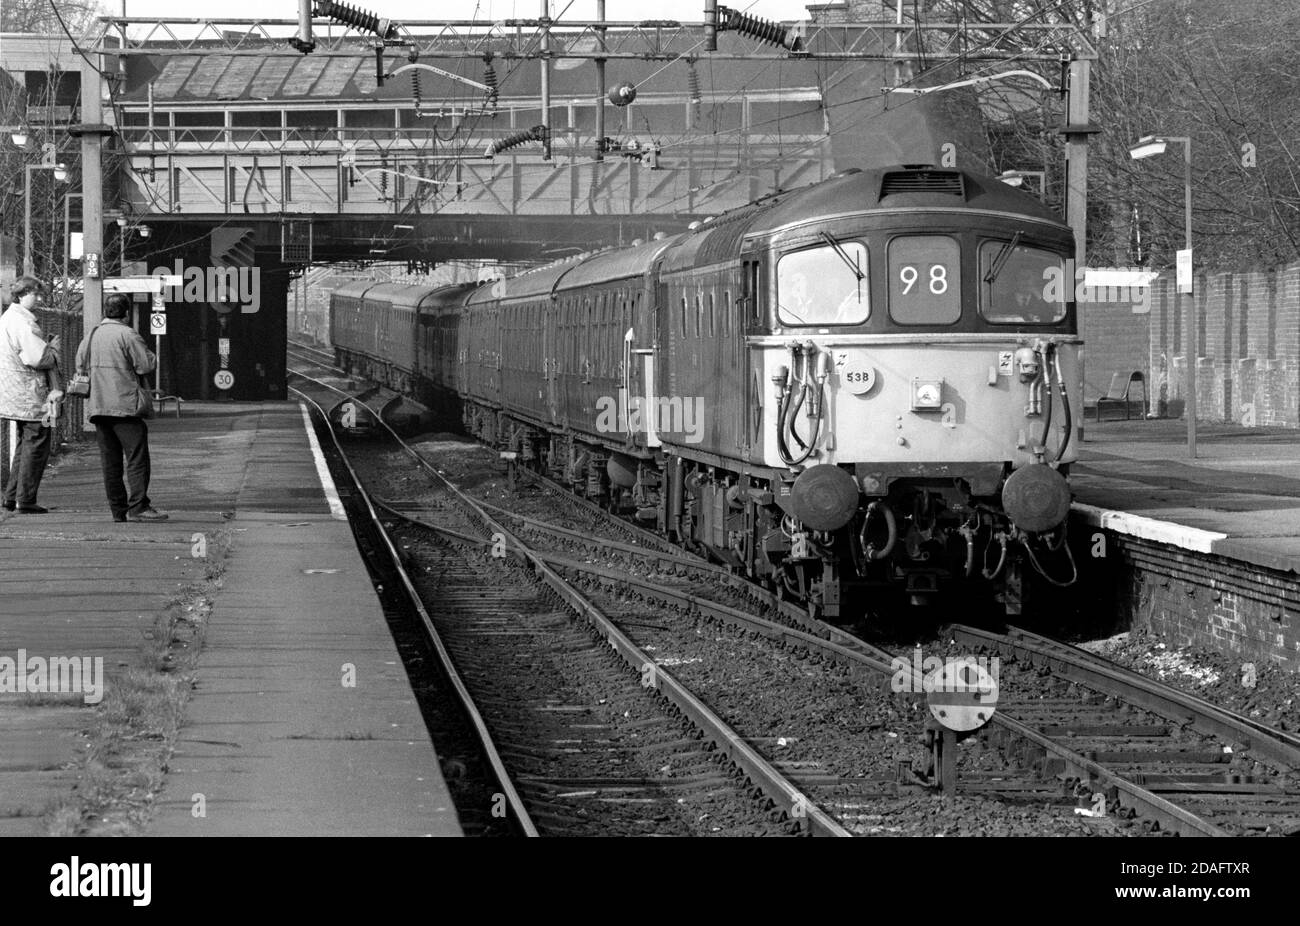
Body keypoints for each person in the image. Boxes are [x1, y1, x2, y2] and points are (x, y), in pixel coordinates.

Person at [74, 293, 168, 522]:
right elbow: (146, 365)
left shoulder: (92, 335)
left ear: (106, 311)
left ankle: (118, 510)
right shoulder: (127, 334)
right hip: (125, 406)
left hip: (98, 406)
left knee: (110, 461)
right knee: (136, 458)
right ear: (126, 313)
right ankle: (139, 506)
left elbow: (79, 364)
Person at [0, 277, 61, 513]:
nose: (39, 299)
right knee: (37, 444)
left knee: (24, 445)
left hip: (11, 390)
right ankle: (26, 499)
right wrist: (53, 348)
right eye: (35, 294)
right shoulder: (25, 324)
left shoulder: (6, 319)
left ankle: (11, 496)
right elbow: (39, 358)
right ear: (22, 294)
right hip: (29, 392)